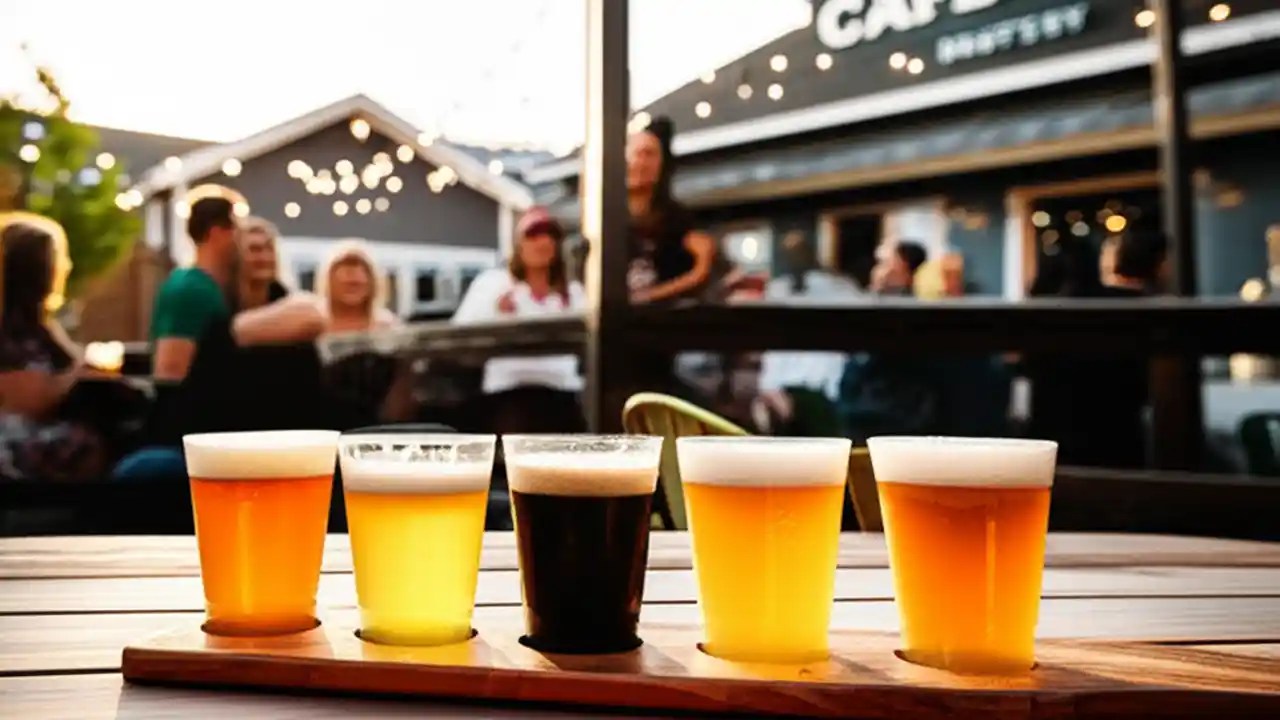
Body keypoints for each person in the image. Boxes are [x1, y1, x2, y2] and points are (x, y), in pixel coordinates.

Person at [453, 206, 587, 434]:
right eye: (533, 235)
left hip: (562, 390)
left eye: (550, 235)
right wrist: (495, 310)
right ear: (519, 244)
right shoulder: (493, 283)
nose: (542, 242)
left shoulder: (573, 291)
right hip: (508, 391)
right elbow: (461, 331)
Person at [0, 215, 110, 482]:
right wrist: (79, 374)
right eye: (54, 261)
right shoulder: (10, 331)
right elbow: (25, 401)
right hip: (14, 445)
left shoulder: (39, 326)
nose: (65, 266)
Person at [752, 232, 861, 436]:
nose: (795, 259)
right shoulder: (778, 291)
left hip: (825, 386)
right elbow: (773, 347)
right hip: (784, 389)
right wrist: (768, 386)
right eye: (790, 253)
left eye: (800, 252)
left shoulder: (839, 288)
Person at [625, 116, 716, 306]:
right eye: (635, 154)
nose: (640, 162)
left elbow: (700, 279)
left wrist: (702, 265)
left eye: (649, 154)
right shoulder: (604, 218)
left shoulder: (678, 220)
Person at [149, 195, 241, 382]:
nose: (240, 239)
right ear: (217, 233)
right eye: (236, 229)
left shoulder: (213, 286)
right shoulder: (189, 289)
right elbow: (170, 369)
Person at [315, 239, 400, 333]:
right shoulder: (313, 324)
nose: (351, 291)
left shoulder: (386, 326)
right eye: (346, 285)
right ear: (330, 283)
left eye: (356, 285)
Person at [236, 216, 289, 310]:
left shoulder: (287, 305)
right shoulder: (220, 305)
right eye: (255, 249)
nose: (265, 257)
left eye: (270, 248)